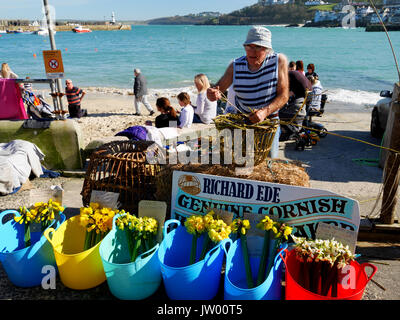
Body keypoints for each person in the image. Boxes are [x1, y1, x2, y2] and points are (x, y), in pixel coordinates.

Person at [206, 26, 289, 159]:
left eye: (258, 47)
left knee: (267, 162)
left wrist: (265, 112)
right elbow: (218, 89)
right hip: (243, 123)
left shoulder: (278, 61)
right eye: (249, 46)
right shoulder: (236, 65)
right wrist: (211, 93)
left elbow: (284, 96)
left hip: (268, 123)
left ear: (267, 49)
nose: (252, 51)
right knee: (241, 164)